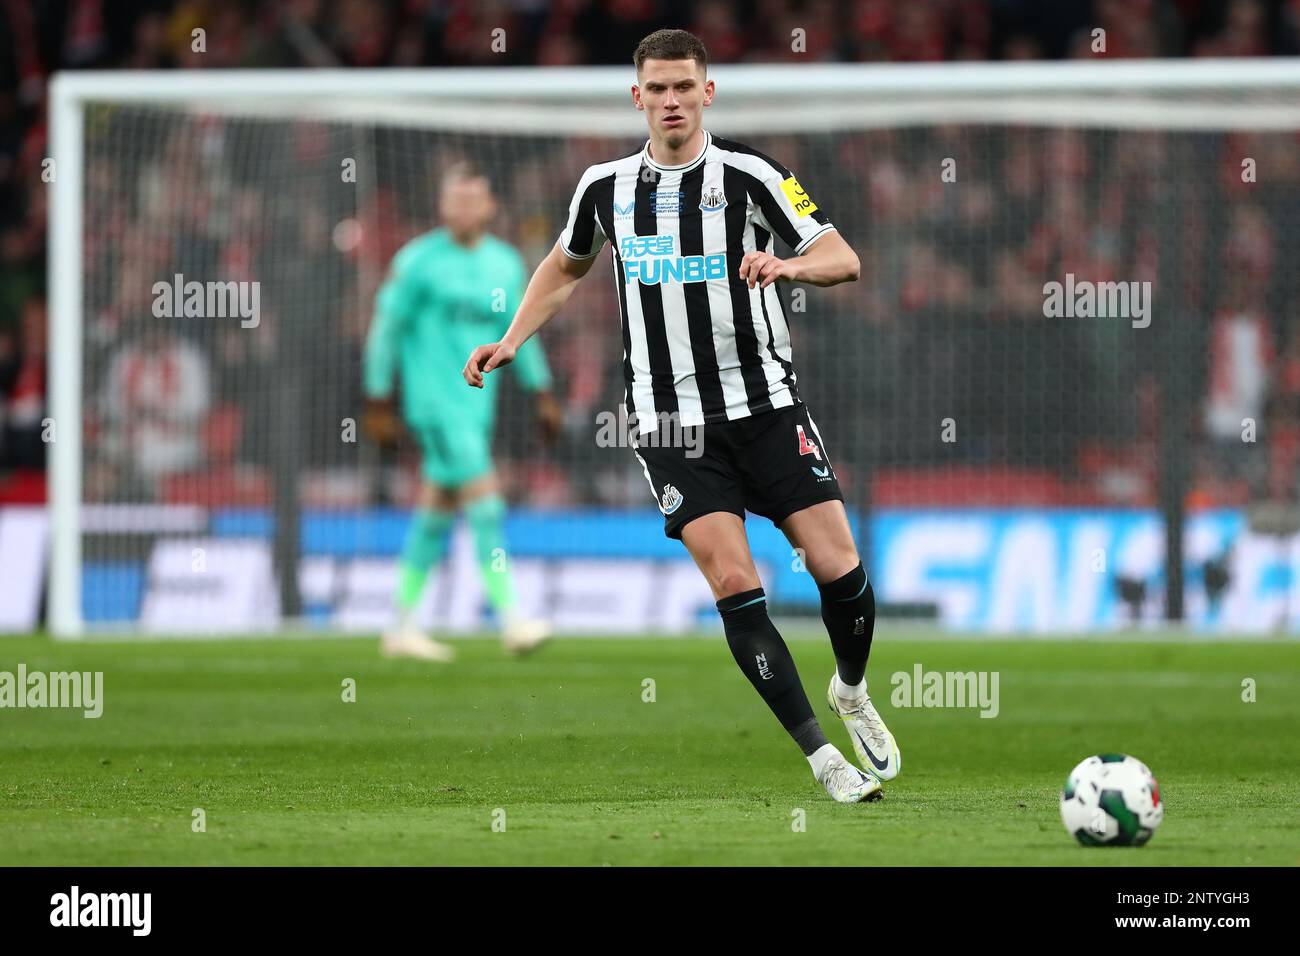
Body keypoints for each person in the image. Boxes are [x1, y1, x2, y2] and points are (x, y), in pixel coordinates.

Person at [464, 30, 899, 802]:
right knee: (735, 580)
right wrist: (511, 337)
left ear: (708, 93)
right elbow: (566, 266)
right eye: (656, 89)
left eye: (683, 88)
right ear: (637, 98)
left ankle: (852, 689)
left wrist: (788, 263)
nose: (670, 101)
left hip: (764, 404)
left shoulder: (754, 175)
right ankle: (821, 759)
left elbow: (845, 258)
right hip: (671, 423)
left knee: (840, 568)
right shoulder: (604, 187)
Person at [365, 163, 562, 661]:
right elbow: (385, 329)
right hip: (434, 405)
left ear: (490, 207)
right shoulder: (418, 262)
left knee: (436, 512)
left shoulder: (503, 263)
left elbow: (516, 329)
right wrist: (377, 397)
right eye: (453, 199)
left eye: (471, 199)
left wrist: (540, 391)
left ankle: (401, 625)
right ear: (441, 206)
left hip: (476, 408)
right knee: (487, 504)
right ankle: (513, 620)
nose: (461, 209)